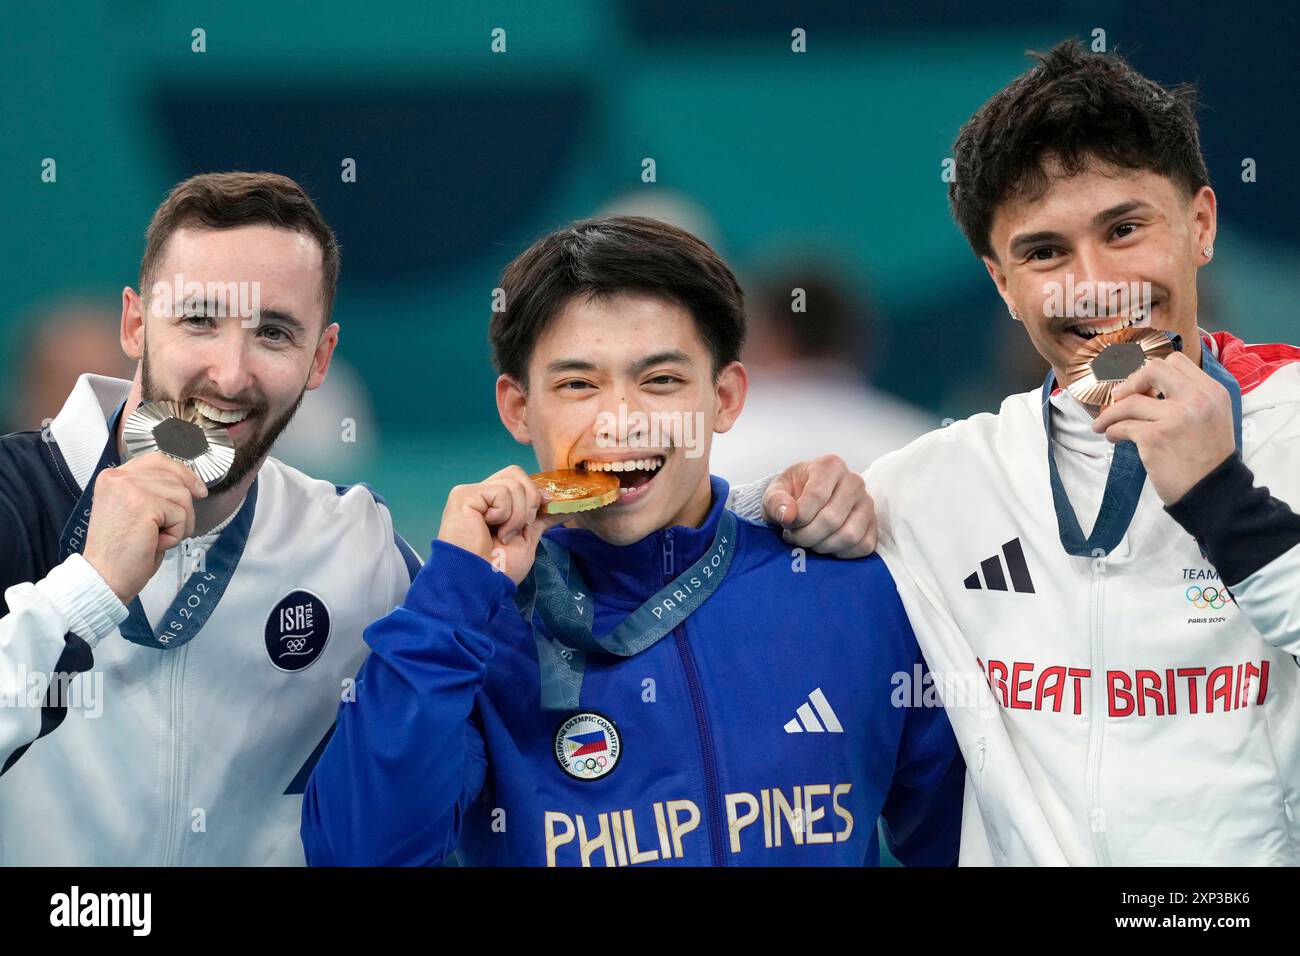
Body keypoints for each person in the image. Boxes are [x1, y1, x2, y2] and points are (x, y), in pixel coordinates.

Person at [736, 40, 1300, 864]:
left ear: (1202, 225)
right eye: (1044, 253)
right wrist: (794, 503)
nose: (1093, 282)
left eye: (1124, 228)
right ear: (1001, 284)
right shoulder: (934, 485)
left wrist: (1224, 499)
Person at [300, 216, 964, 867]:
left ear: (727, 397)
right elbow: (361, 851)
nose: (620, 421)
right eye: (578, 384)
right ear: (516, 407)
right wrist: (453, 597)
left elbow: (965, 842)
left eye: (661, 380)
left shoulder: (852, 591)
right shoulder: (476, 628)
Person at [0, 171, 422, 864]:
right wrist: (88, 590)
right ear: (136, 324)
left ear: (320, 359)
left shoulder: (359, 551)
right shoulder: (14, 502)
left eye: (275, 333)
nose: (229, 375)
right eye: (199, 319)